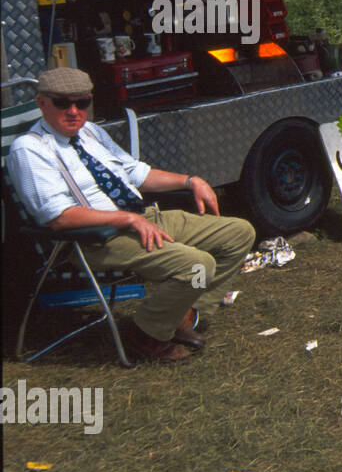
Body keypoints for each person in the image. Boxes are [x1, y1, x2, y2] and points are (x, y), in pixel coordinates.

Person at [6, 68, 256, 363]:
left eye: (82, 103)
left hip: (143, 218)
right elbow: (57, 217)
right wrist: (125, 219)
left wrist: (190, 181)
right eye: (62, 103)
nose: (74, 112)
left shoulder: (90, 132)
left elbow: (135, 172)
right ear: (42, 103)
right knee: (198, 265)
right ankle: (147, 336)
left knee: (240, 233)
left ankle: (180, 315)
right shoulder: (30, 149)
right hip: (96, 240)